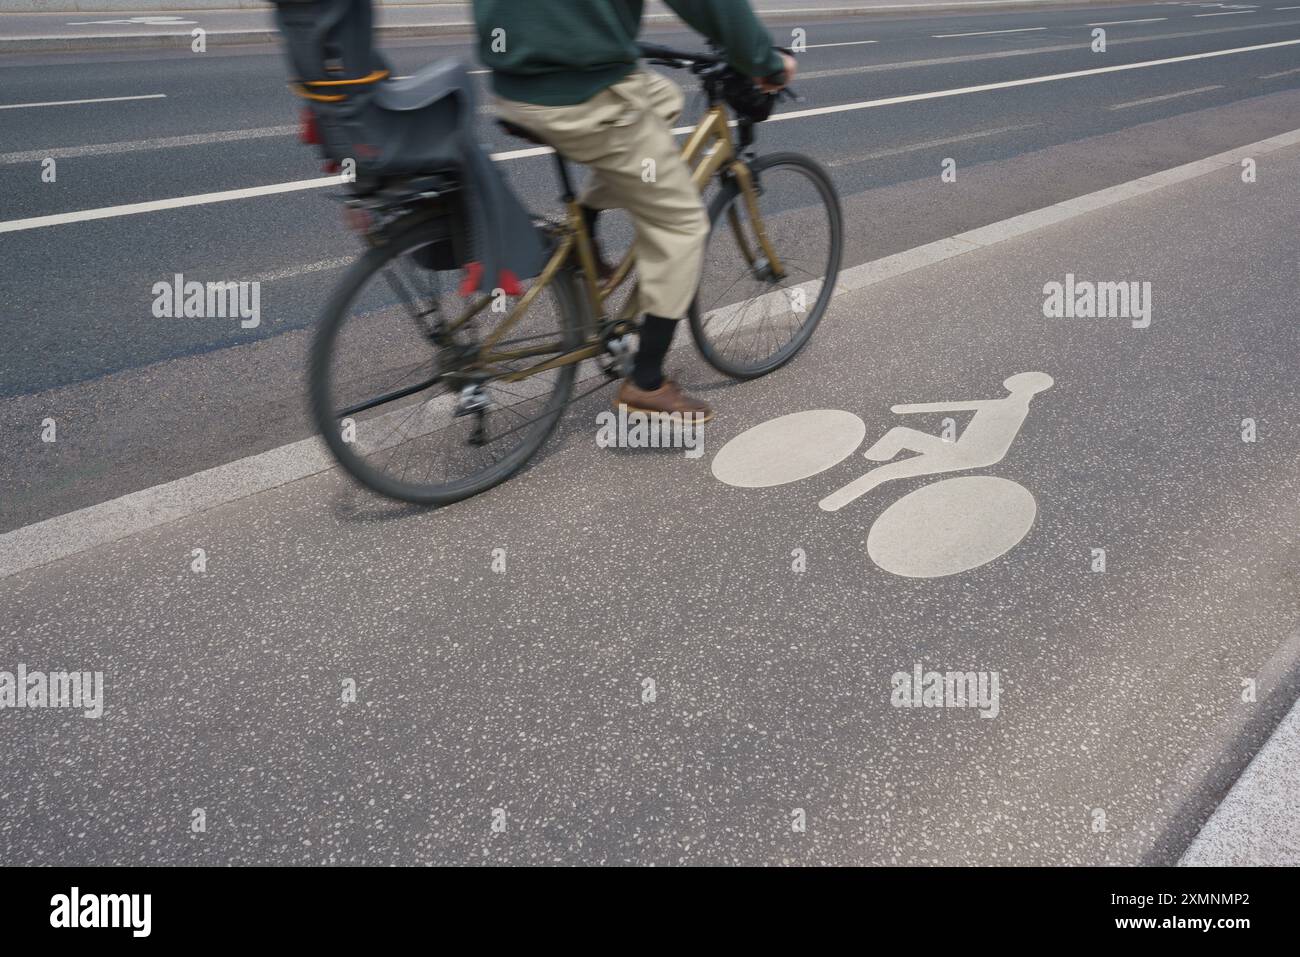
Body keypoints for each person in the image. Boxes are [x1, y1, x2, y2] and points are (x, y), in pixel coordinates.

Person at [472, 0, 796, 422]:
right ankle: (646, 382)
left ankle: (585, 222)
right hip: (585, 93)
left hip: (514, 84)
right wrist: (765, 61)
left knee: (663, 97)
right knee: (682, 225)